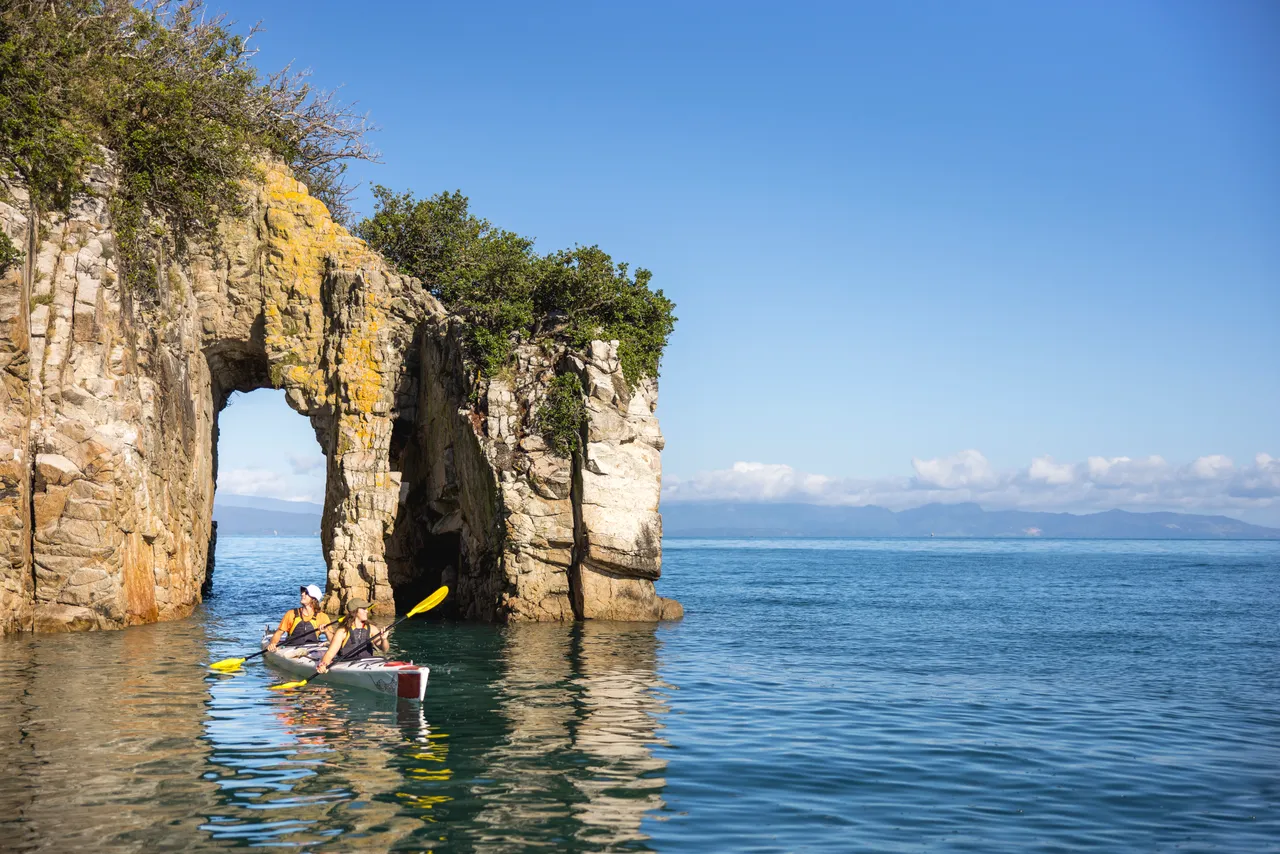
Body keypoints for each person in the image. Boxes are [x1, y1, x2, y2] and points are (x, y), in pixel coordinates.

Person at [316, 598, 389, 673]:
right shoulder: (342, 631)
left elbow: (385, 649)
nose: (367, 611)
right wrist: (323, 664)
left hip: (368, 665)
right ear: (355, 612)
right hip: (346, 666)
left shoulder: (372, 629)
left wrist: (384, 639)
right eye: (363, 609)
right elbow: (330, 653)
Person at [267, 584, 332, 651]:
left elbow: (333, 640)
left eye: (306, 593)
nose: (302, 594)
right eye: (303, 592)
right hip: (291, 649)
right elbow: (278, 633)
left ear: (314, 599)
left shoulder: (322, 617)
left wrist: (327, 631)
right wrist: (273, 643)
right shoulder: (291, 614)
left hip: (313, 650)